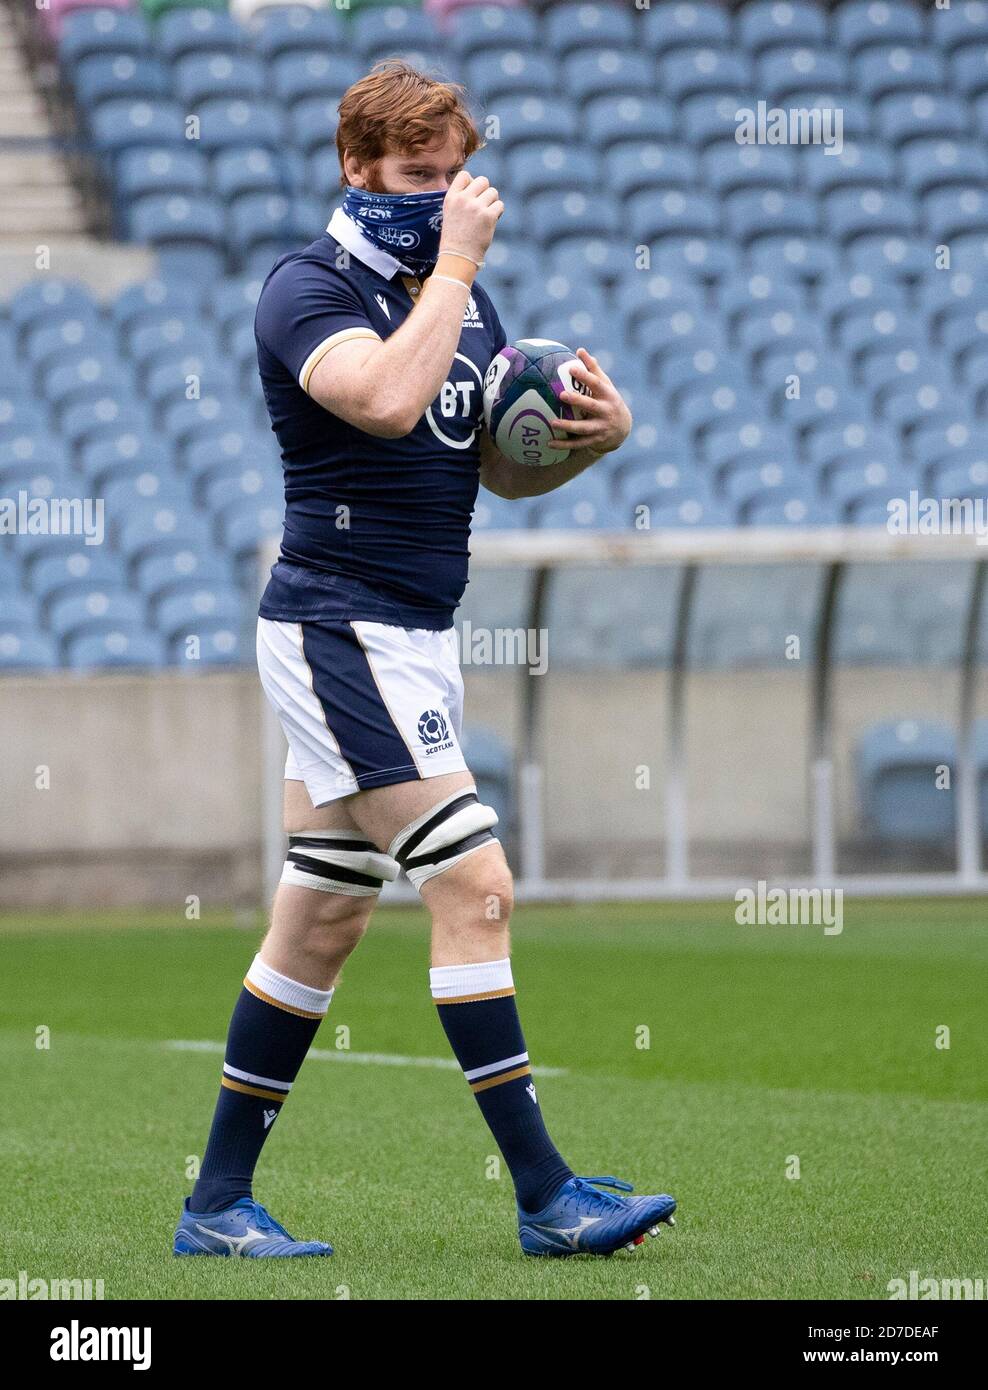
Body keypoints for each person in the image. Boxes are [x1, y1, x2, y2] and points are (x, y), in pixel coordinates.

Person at [174, 60, 675, 1260]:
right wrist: (452, 265)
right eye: (415, 176)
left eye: (454, 175)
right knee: (477, 886)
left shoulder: (472, 305)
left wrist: (585, 446)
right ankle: (548, 1194)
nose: (443, 196)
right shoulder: (308, 287)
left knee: (321, 921)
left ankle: (214, 1206)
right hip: (335, 624)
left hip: (415, 635)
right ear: (355, 167)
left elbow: (484, 460)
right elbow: (389, 401)